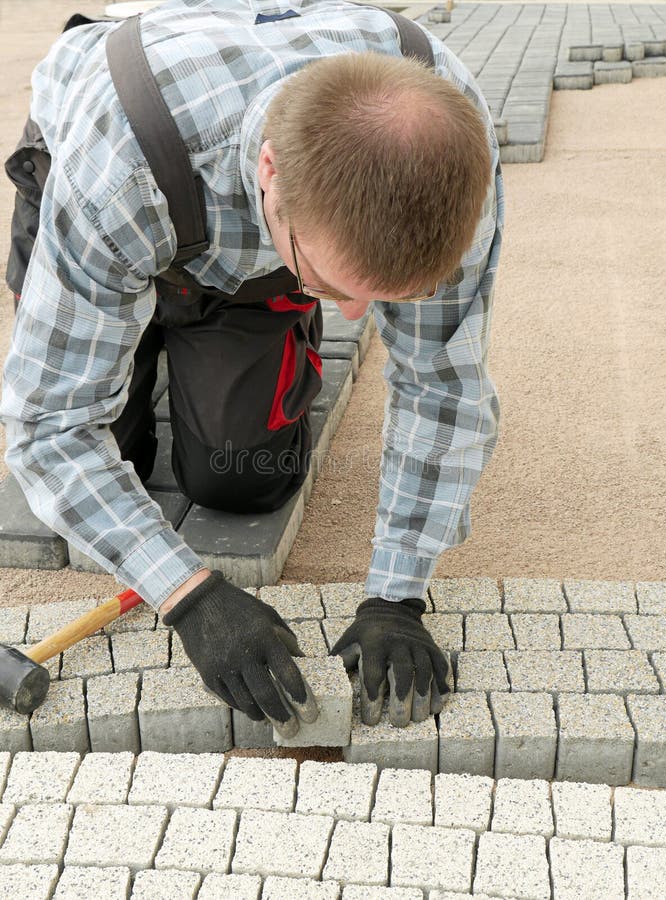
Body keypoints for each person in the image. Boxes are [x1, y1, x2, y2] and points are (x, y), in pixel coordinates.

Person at [1, 0, 504, 738]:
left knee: (239, 476)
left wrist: (397, 596)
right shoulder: (116, 169)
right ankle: (135, 324)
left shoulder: (451, 142)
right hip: (118, 167)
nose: (360, 318)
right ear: (269, 172)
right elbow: (49, 425)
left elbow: (441, 379)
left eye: (390, 294)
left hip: (252, 246)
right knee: (116, 448)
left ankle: (267, 305)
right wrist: (189, 595)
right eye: (336, 289)